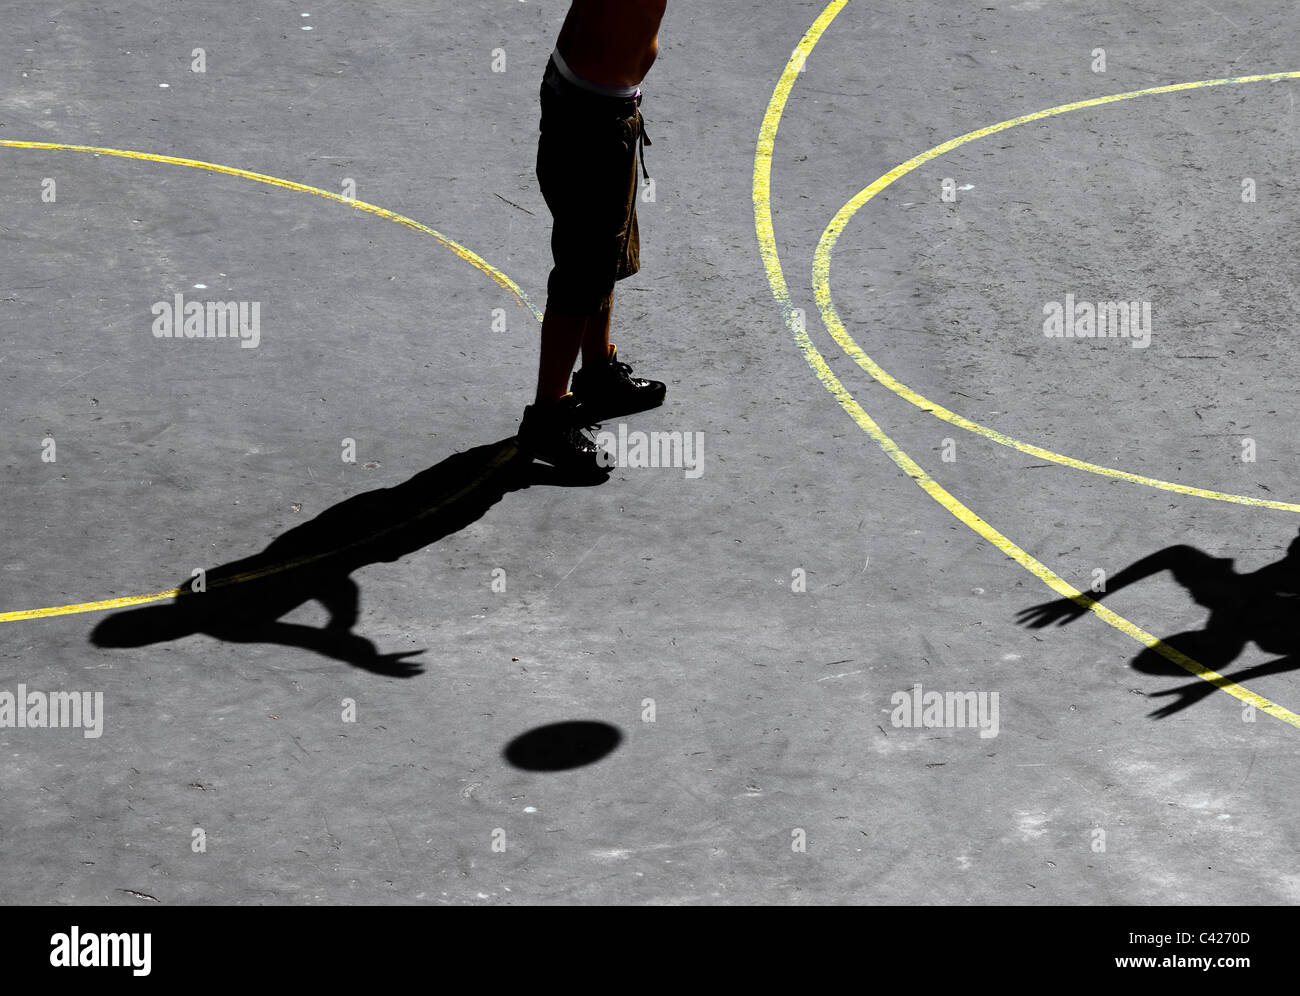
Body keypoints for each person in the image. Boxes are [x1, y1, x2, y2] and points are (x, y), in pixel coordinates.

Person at [516, 0, 669, 473]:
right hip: (588, 117)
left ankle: (598, 374)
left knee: (604, 252)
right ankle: (548, 415)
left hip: (607, 104)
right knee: (584, 268)